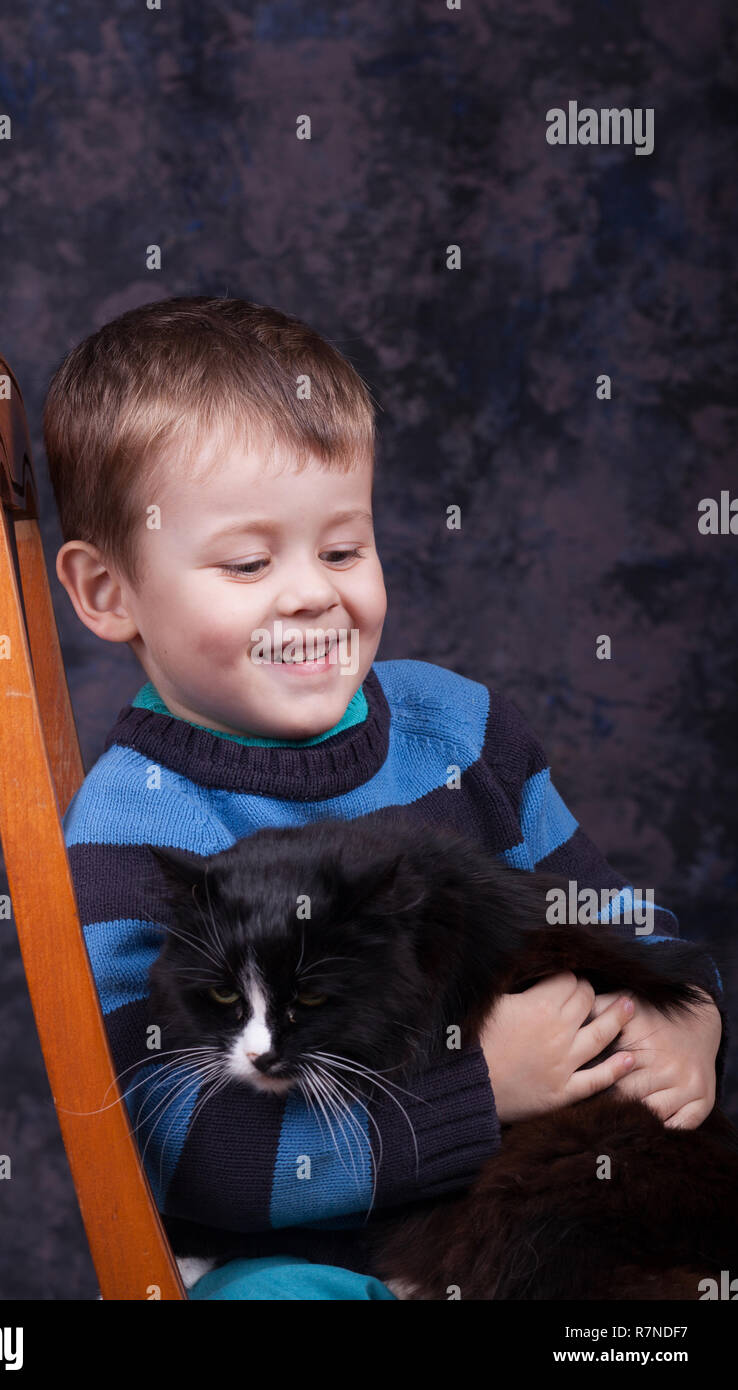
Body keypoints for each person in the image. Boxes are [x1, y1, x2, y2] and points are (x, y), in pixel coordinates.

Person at [43, 296, 726, 1300]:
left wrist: (690, 1014)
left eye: (341, 549)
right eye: (247, 561)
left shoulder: (458, 728)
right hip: (311, 1255)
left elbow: (614, 914)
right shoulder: (137, 819)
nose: (312, 593)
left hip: (533, 1226)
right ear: (109, 593)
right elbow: (170, 1144)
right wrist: (476, 1088)